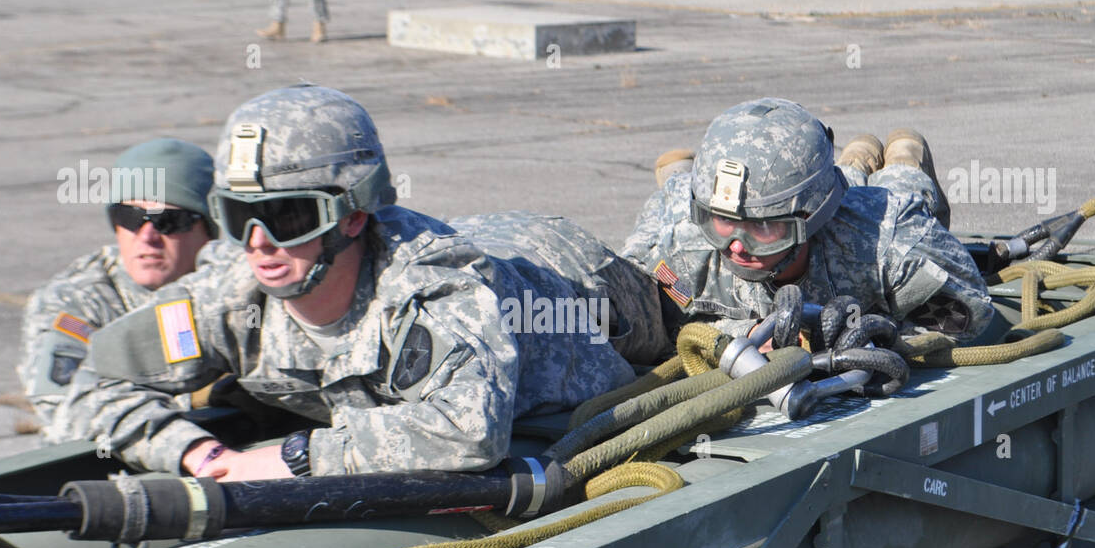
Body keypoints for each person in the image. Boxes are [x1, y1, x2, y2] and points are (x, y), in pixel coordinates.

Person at [55, 85, 663, 481]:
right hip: (491, 249)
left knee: (677, 307)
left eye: (289, 217)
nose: (260, 243)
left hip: (564, 277)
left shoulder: (439, 288)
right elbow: (94, 383)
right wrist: (197, 453)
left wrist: (292, 457)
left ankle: (677, 193)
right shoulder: (228, 296)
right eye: (241, 217)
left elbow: (468, 432)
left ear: (351, 213)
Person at [622, 98, 994, 345]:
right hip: (704, 193)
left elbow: (969, 314)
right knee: (677, 182)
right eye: (722, 222)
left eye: (763, 229)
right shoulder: (679, 230)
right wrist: (744, 335)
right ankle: (857, 159)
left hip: (868, 209)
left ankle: (901, 155)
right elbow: (641, 313)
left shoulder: (891, 243)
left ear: (810, 219)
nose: (736, 246)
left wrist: (863, 334)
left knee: (896, 189)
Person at [18, 138, 219, 430]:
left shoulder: (234, 287)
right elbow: (63, 409)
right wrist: (198, 401)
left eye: (168, 221)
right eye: (131, 217)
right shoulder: (78, 299)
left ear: (209, 231)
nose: (147, 236)